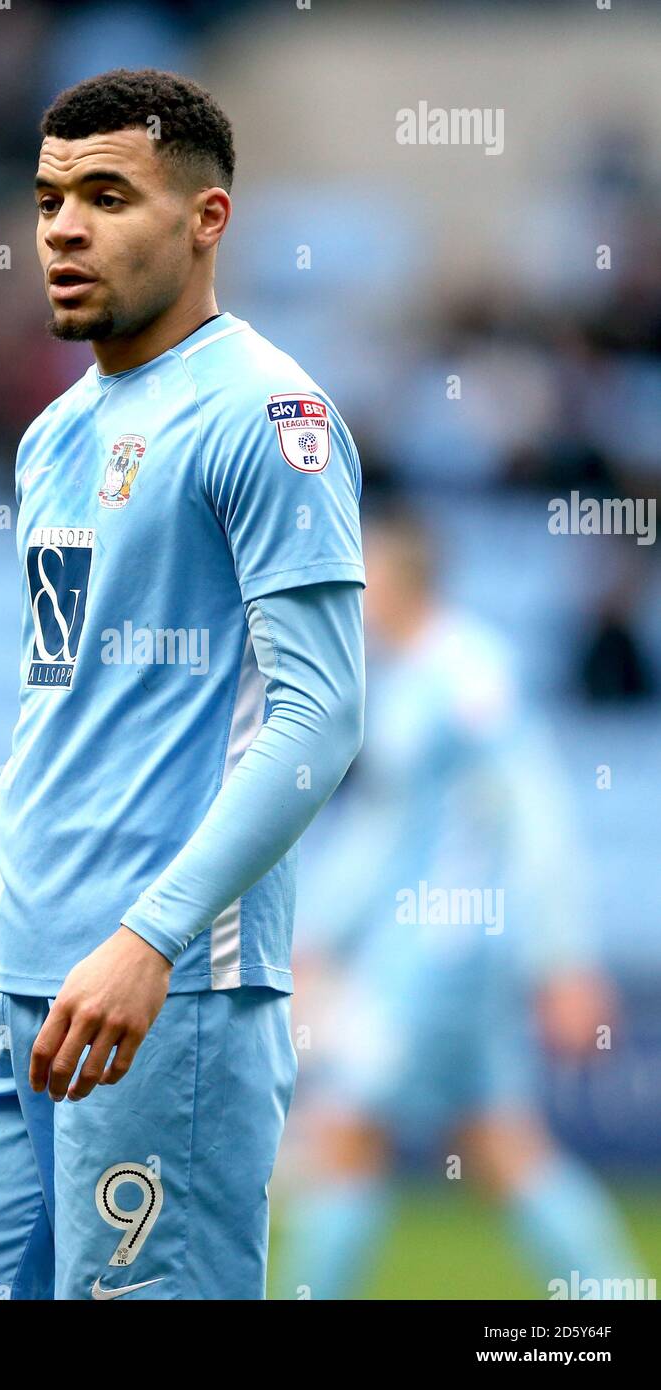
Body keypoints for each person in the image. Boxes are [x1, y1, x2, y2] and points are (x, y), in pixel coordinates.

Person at [0, 67, 365, 1302]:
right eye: (46, 198)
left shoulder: (266, 413)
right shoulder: (52, 432)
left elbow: (321, 715)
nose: (62, 228)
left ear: (207, 220)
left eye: (105, 195)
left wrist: (148, 935)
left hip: (163, 997)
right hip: (11, 987)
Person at [278, 504, 642, 1299]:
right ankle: (613, 1301)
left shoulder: (468, 673)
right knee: (500, 1145)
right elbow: (387, 835)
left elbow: (535, 810)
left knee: (344, 1136)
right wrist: (325, 935)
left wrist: (565, 960)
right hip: (436, 954)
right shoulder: (413, 681)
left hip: (443, 956)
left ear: (398, 581)